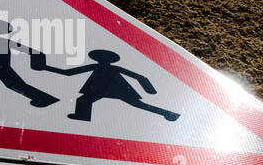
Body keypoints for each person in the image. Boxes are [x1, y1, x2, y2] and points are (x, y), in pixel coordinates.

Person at [32, 48, 179, 123]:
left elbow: (139, 76)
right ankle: (81, 117)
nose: (100, 60)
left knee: (136, 105)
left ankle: (167, 113)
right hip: (106, 88)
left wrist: (148, 88)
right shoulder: (101, 67)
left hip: (114, 88)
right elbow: (68, 73)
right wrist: (47, 68)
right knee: (84, 101)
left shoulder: (110, 68)